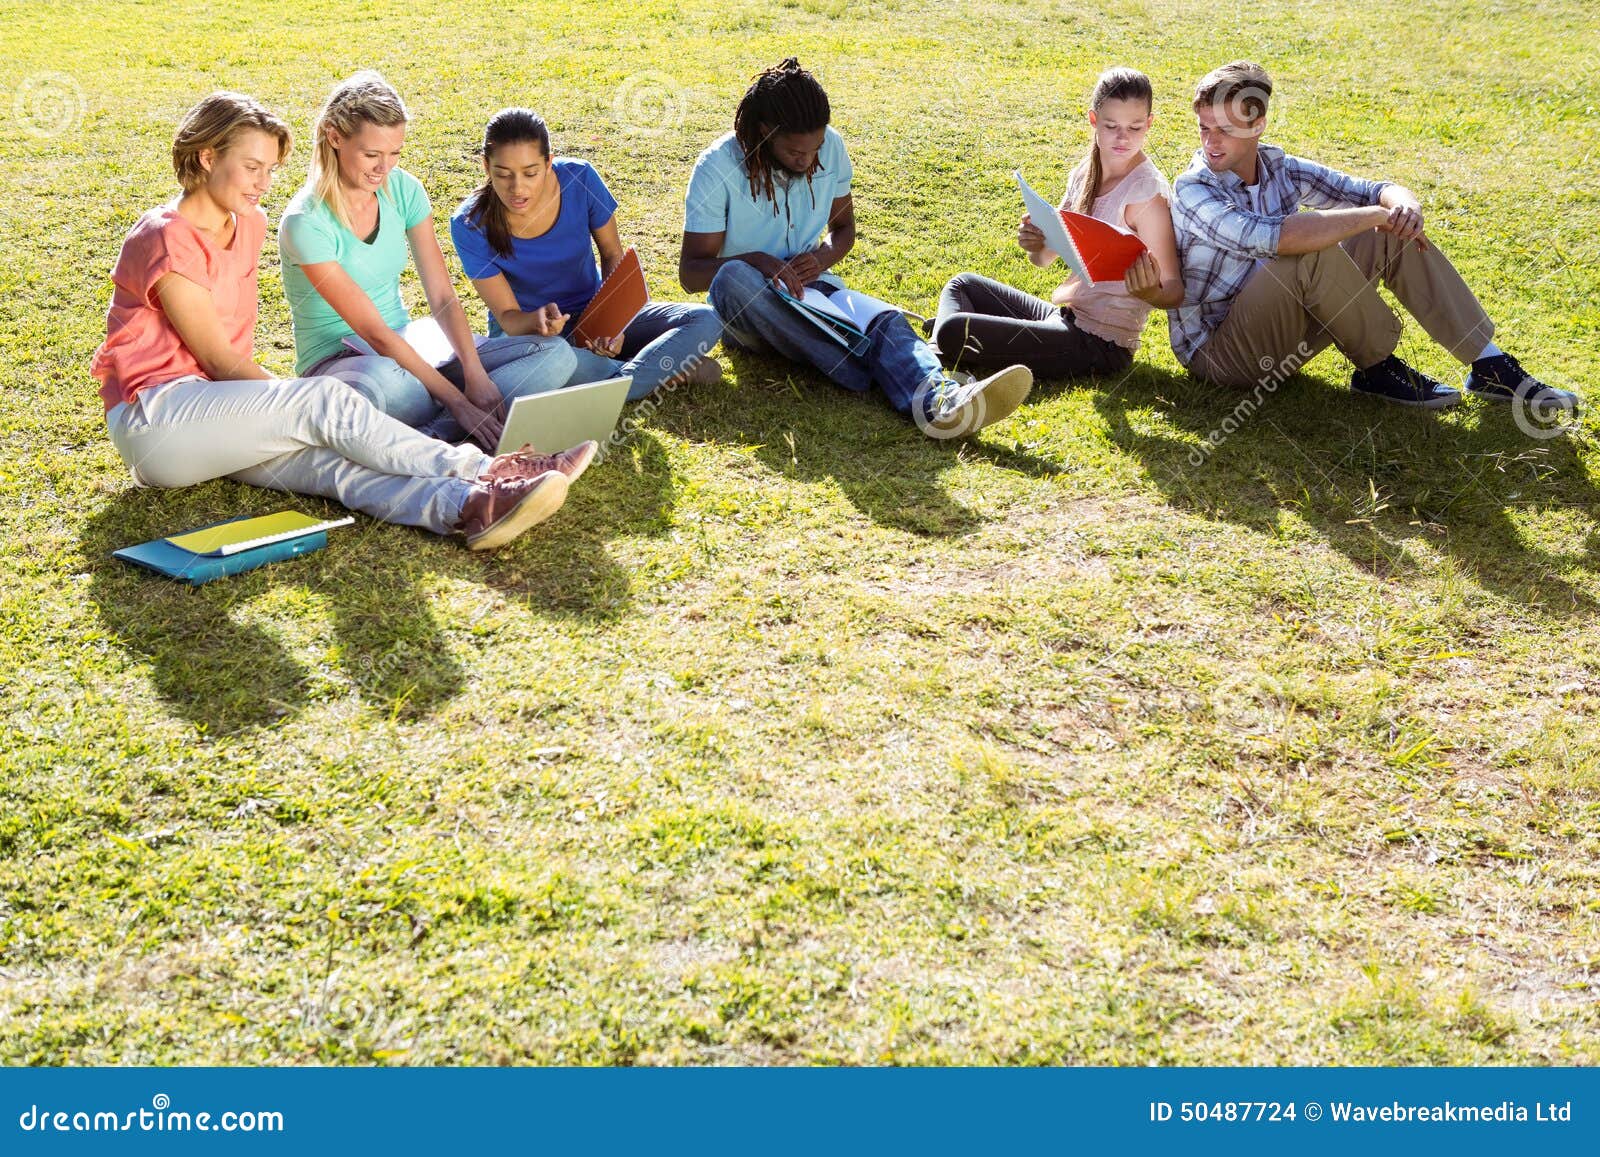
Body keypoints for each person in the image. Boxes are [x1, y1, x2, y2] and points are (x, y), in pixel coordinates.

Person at [93, 91, 594, 551]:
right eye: (252, 167)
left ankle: (468, 508)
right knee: (323, 405)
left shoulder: (248, 221)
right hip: (157, 421)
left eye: (269, 169)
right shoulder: (165, 238)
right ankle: (488, 469)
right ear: (207, 158)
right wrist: (296, 403)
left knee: (337, 468)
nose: (264, 184)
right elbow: (222, 363)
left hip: (214, 420)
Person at [1169, 60, 1576, 412]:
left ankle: (1489, 366)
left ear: (1258, 124)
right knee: (1312, 250)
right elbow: (1278, 238)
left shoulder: (1279, 166)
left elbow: (1372, 189)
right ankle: (1378, 366)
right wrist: (1373, 214)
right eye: (1204, 127)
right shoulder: (1193, 187)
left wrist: (1401, 206)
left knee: (1389, 229)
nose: (1210, 142)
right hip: (1221, 356)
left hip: (1282, 336)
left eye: (1224, 129)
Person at [679, 57, 1033, 440]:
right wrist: (758, 262)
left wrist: (819, 259)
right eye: (796, 153)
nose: (809, 159)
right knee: (733, 277)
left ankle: (942, 405)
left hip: (814, 293)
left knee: (884, 319)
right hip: (751, 307)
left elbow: (843, 230)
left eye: (815, 148)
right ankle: (864, 364)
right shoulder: (717, 167)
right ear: (764, 133)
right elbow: (691, 273)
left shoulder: (830, 148)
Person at [278, 72, 577, 450]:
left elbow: (440, 295)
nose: (382, 168)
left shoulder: (403, 189)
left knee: (553, 354)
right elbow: (373, 334)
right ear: (335, 137)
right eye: (371, 154)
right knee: (395, 387)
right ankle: (454, 421)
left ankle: (432, 435)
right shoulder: (306, 222)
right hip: (343, 364)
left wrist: (473, 372)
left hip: (412, 349)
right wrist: (457, 398)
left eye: (394, 154)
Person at [451, 107, 723, 402]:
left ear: (549, 162)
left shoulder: (579, 178)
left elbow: (611, 254)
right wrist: (538, 321)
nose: (518, 188)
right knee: (559, 360)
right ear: (485, 166)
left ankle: (618, 373)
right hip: (534, 339)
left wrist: (615, 324)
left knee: (706, 319)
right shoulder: (469, 223)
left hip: (594, 316)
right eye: (502, 175)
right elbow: (507, 318)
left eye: (531, 173)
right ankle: (653, 372)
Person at [931, 68, 1182, 381]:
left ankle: (937, 349)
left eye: (1134, 127)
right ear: (1093, 121)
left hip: (1099, 345)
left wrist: (1149, 293)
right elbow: (1044, 258)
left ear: (1149, 124)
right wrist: (1036, 243)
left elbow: (1173, 290)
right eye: (1111, 126)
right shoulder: (1084, 173)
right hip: (1063, 318)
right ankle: (943, 345)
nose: (1123, 137)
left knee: (957, 329)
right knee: (963, 284)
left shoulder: (1146, 193)